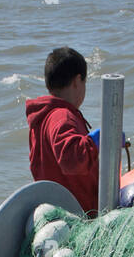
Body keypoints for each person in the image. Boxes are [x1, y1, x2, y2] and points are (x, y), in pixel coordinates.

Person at [26, 46, 100, 214]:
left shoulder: (43, 116)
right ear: (77, 81)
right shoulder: (62, 117)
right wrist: (96, 141)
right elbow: (72, 161)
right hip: (76, 214)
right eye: (84, 82)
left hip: (55, 208)